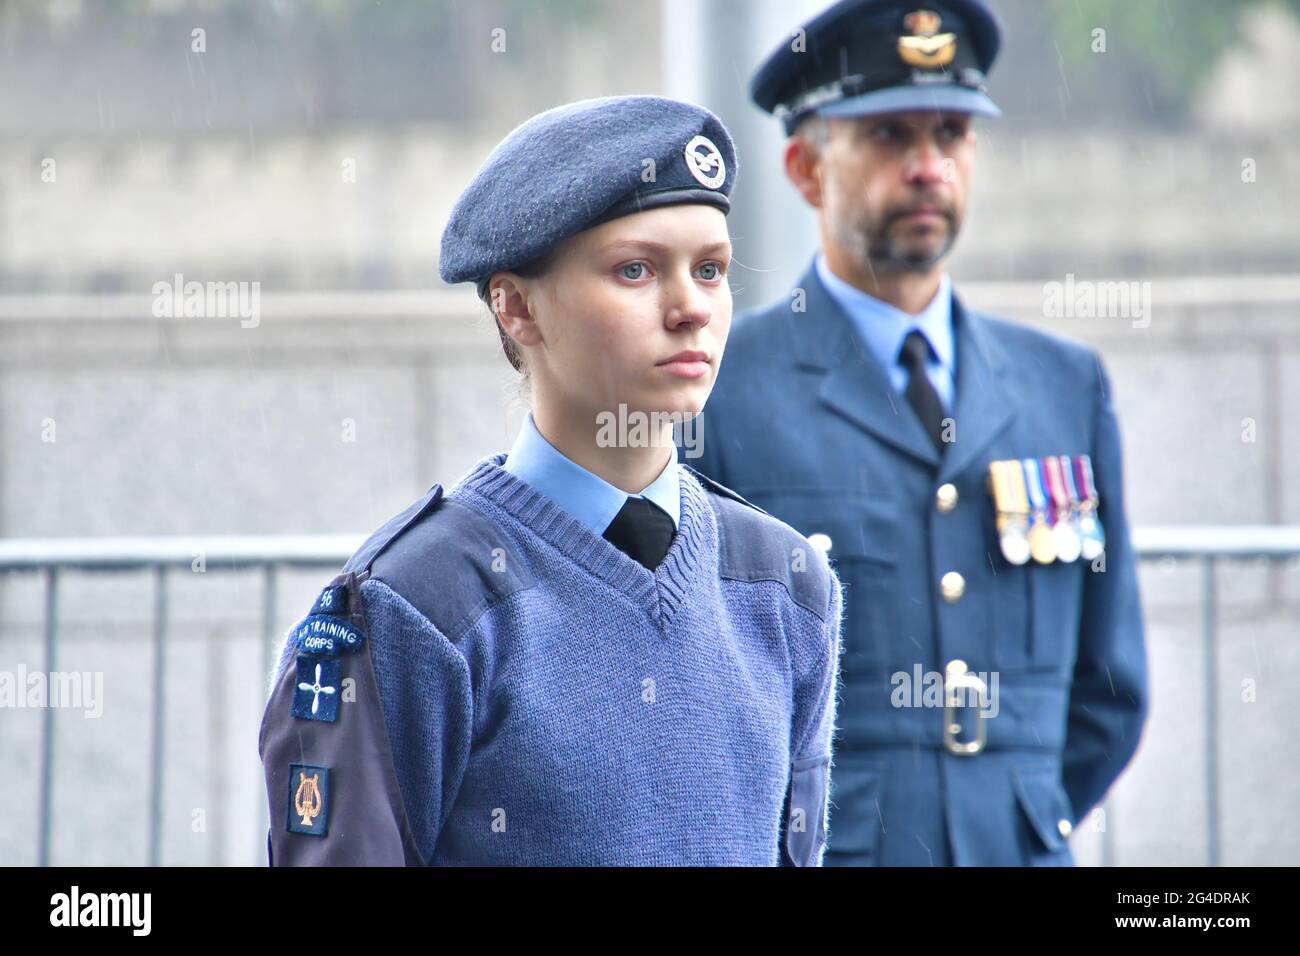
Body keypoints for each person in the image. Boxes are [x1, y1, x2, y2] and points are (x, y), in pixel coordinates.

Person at [258, 95, 845, 866]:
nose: (691, 309)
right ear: (517, 308)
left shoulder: (785, 584)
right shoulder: (417, 607)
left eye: (710, 270)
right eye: (635, 270)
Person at [688, 0, 1149, 865]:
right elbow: (698, 696)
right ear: (805, 169)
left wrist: (1018, 814)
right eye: (889, 136)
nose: (929, 167)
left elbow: (1111, 687)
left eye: (952, 134)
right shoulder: (720, 388)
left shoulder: (1063, 387)